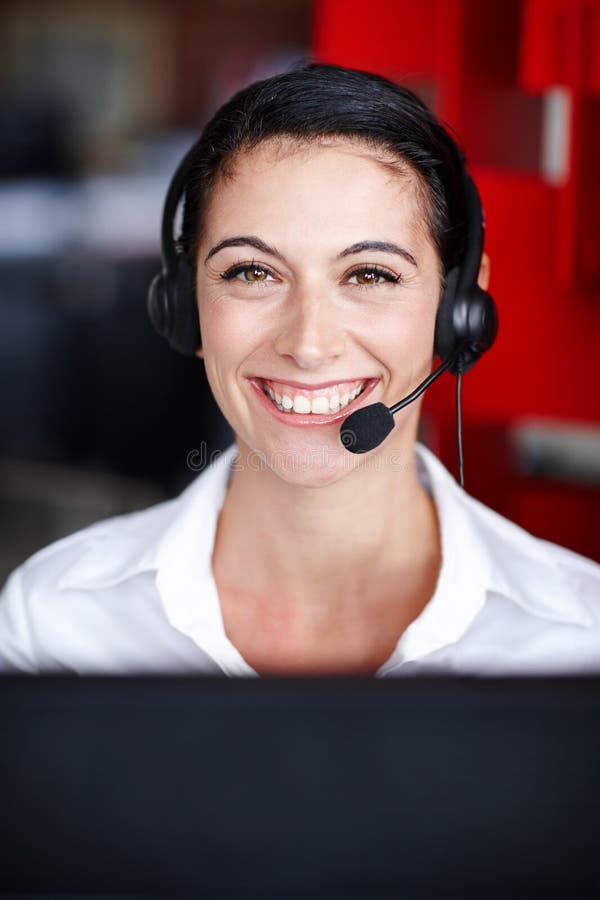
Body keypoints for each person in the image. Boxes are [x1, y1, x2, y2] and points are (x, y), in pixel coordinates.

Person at [0, 63, 598, 675]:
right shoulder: (57, 623)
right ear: (184, 306)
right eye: (252, 272)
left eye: (370, 275)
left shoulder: (576, 643)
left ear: (458, 312)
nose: (309, 345)